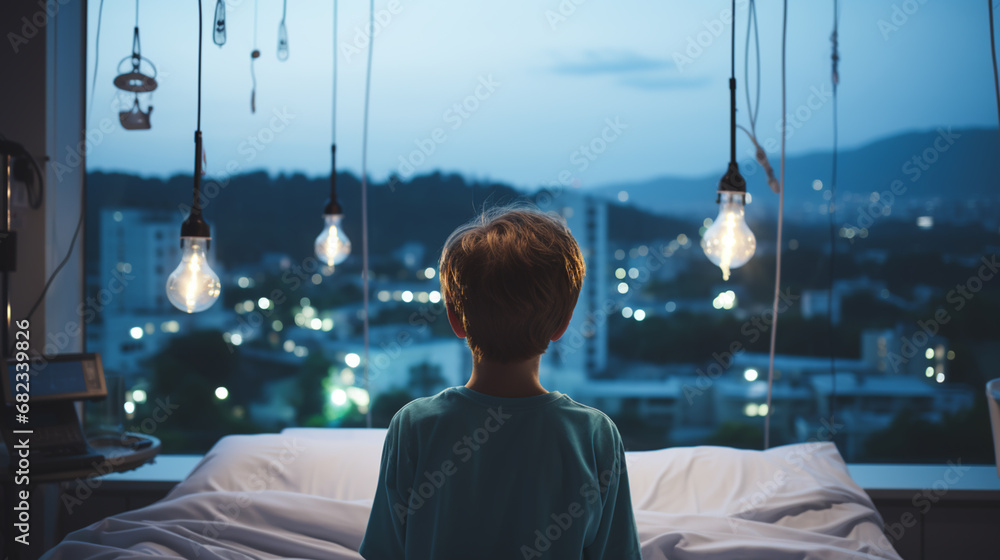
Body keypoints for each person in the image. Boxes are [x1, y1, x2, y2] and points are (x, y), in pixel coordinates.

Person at [359, 206, 642, 559]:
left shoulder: (414, 426)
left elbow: (384, 552)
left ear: (454, 318)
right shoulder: (594, 435)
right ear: (563, 324)